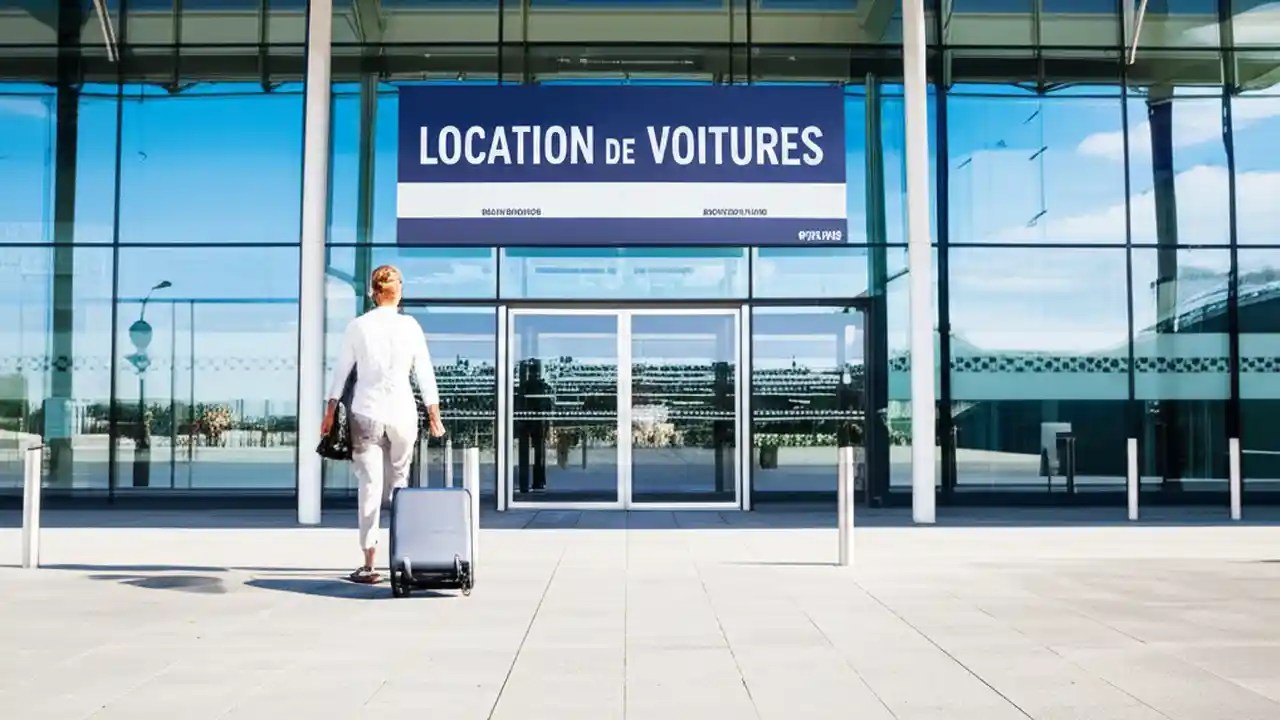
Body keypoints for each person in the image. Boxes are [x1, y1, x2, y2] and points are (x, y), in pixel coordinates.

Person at [322, 265, 445, 584]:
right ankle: (402, 558)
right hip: (403, 412)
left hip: (366, 412)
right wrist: (434, 413)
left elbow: (341, 373)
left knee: (370, 487)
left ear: (372, 293)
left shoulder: (358, 326)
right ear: (399, 291)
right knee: (400, 485)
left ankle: (369, 563)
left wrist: (330, 411)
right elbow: (425, 373)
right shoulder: (410, 326)